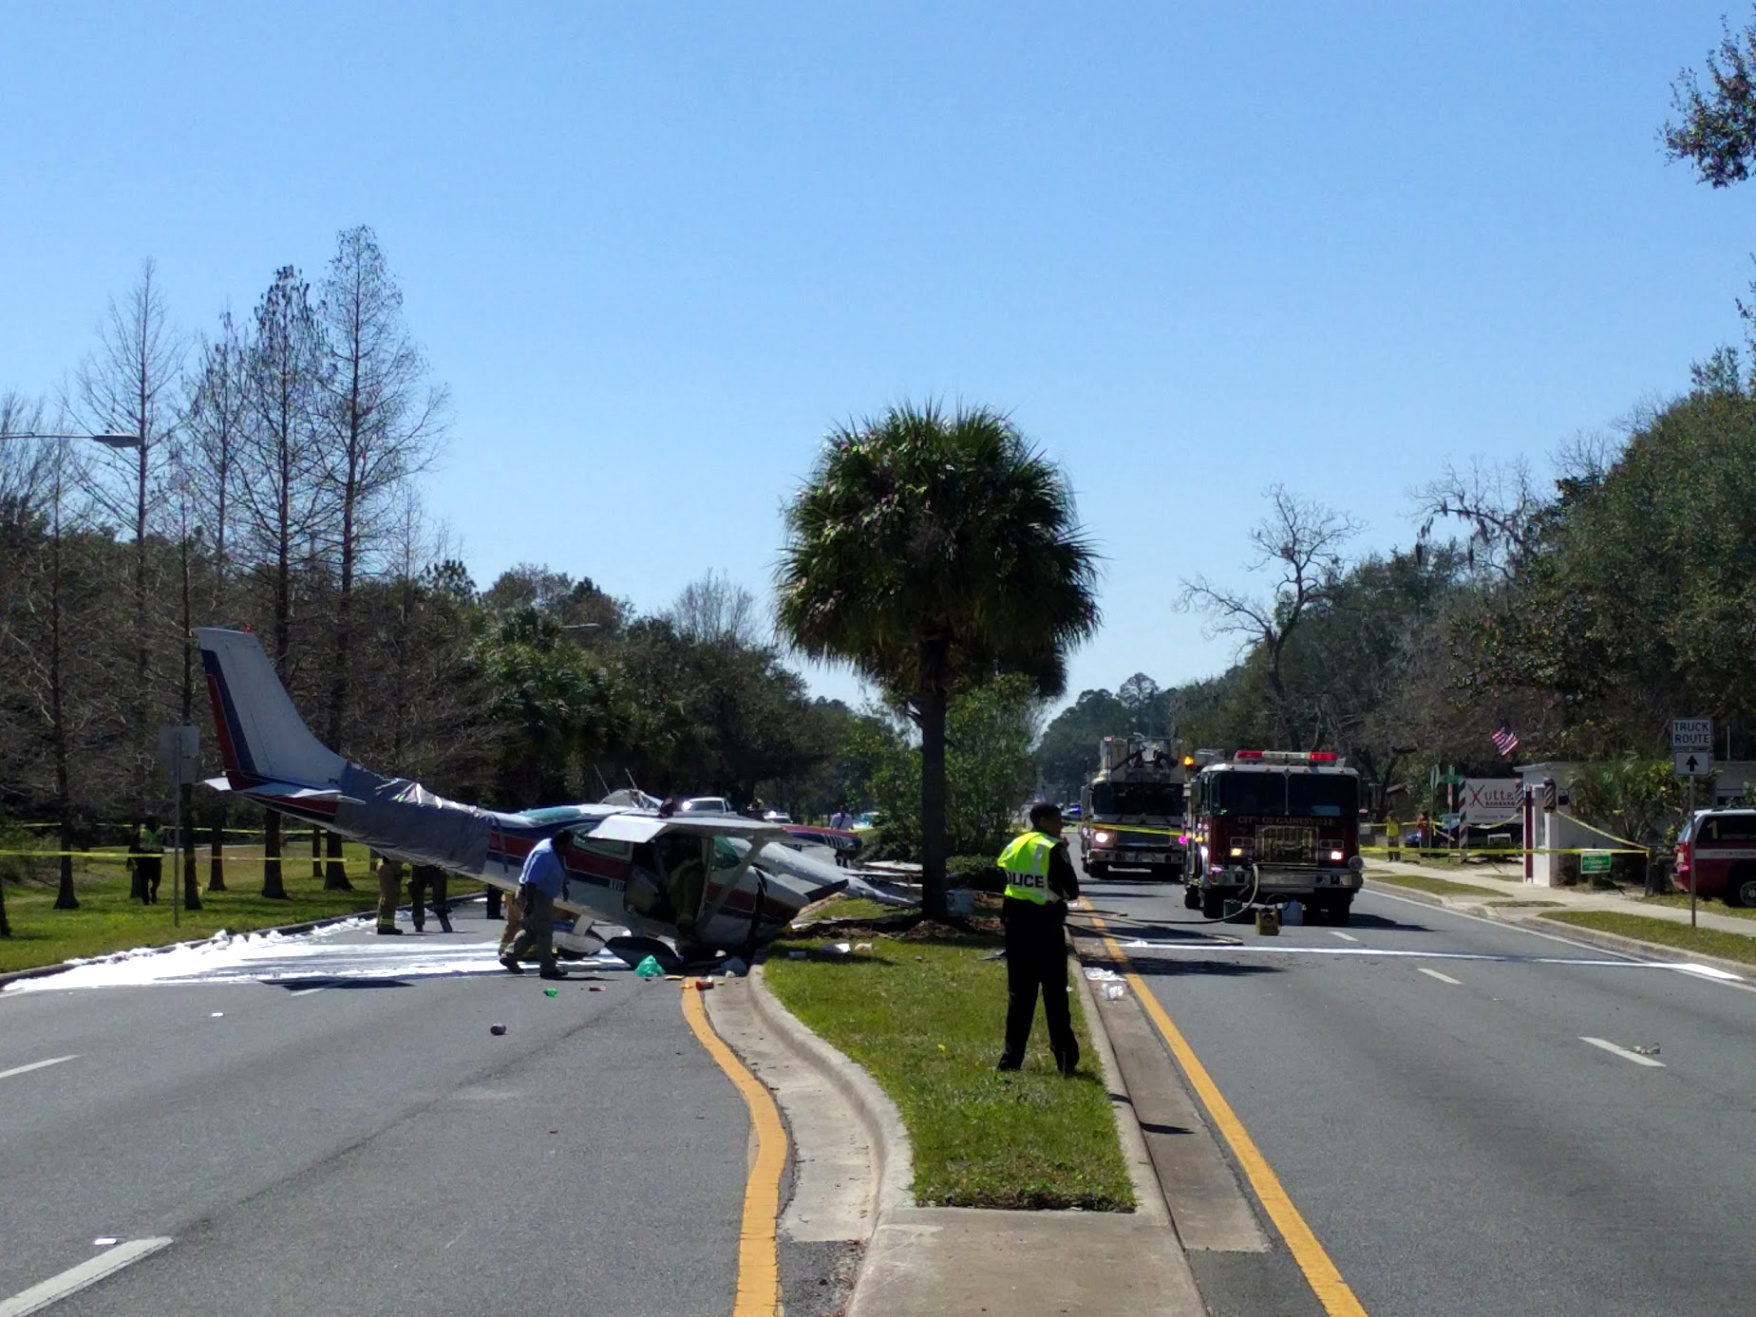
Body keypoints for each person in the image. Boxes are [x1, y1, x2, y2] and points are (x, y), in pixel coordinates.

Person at [995, 802, 1081, 1076]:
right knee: (1055, 996)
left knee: (1019, 997)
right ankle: (1066, 1060)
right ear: (1042, 821)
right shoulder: (1052, 848)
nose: (1061, 826)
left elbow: (1007, 881)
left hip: (1016, 927)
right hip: (1046, 927)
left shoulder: (1016, 845)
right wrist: (1064, 854)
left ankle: (1011, 1061)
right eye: (1057, 821)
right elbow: (1071, 891)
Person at [501, 830, 572, 979]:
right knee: (545, 932)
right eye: (568, 846)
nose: (570, 849)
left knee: (532, 930)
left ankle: (510, 956)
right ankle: (547, 968)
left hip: (539, 894)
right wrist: (530, 904)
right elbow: (531, 881)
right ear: (560, 844)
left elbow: (558, 867)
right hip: (535, 894)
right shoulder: (545, 855)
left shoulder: (553, 848)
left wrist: (563, 886)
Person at [408, 864, 453, 933]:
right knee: (418, 896)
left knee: (419, 897)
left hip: (427, 864)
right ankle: (419, 924)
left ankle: (419, 923)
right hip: (428, 864)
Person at [130, 816, 165, 904]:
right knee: (144, 882)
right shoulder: (140, 831)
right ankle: (146, 899)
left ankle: (153, 891)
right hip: (143, 860)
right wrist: (135, 858)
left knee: (156, 880)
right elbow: (133, 845)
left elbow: (164, 842)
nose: (153, 824)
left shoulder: (160, 832)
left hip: (156, 860)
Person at [374, 852, 405, 935]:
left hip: (390, 865)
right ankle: (385, 926)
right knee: (390, 897)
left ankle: (384, 924)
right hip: (389, 866)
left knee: (390, 896)